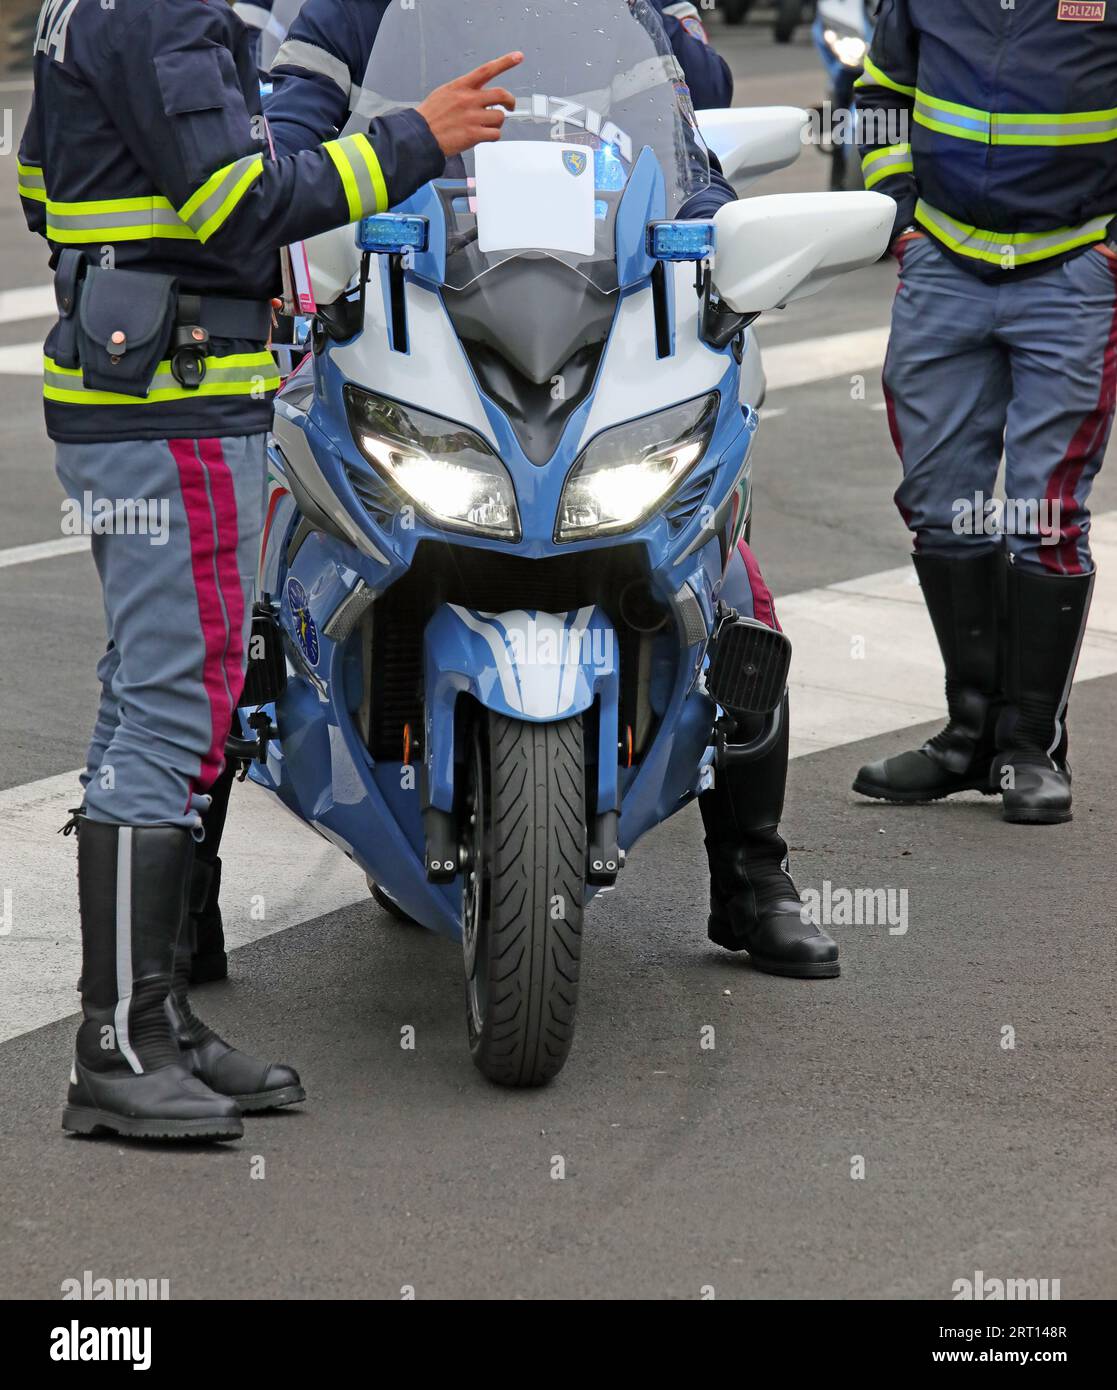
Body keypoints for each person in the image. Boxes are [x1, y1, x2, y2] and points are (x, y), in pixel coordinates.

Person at [193, 0, 834, 980]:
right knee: (241, 597)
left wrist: (718, 247)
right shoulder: (351, 9)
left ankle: (752, 877)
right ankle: (185, 904)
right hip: (400, 306)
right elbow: (288, 146)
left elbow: (687, 149)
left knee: (723, 570)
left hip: (580, 317)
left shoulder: (613, 13)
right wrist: (324, 233)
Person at [19, 0, 521, 1139]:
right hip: (176, 400)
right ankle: (117, 1049)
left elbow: (46, 193)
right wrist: (416, 141)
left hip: (133, 384)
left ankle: (152, 1016)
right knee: (170, 708)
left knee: (155, 696)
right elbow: (238, 204)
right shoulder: (167, 7)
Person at [851, 0, 1113, 825]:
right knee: (938, 507)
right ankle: (969, 737)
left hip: (1072, 271)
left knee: (1044, 514)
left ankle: (1030, 745)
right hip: (942, 267)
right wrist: (899, 216)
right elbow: (880, 94)